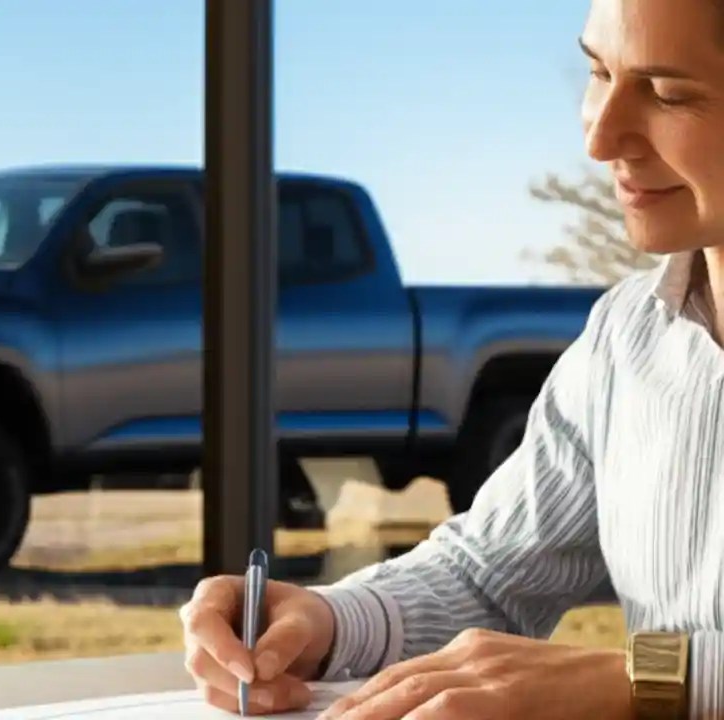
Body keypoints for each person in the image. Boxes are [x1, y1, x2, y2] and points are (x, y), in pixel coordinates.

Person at [179, 0, 724, 717]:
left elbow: (639, 679)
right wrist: (326, 621)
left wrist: (641, 679)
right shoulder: (626, 338)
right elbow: (490, 578)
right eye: (598, 72)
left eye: (667, 94)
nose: (599, 136)